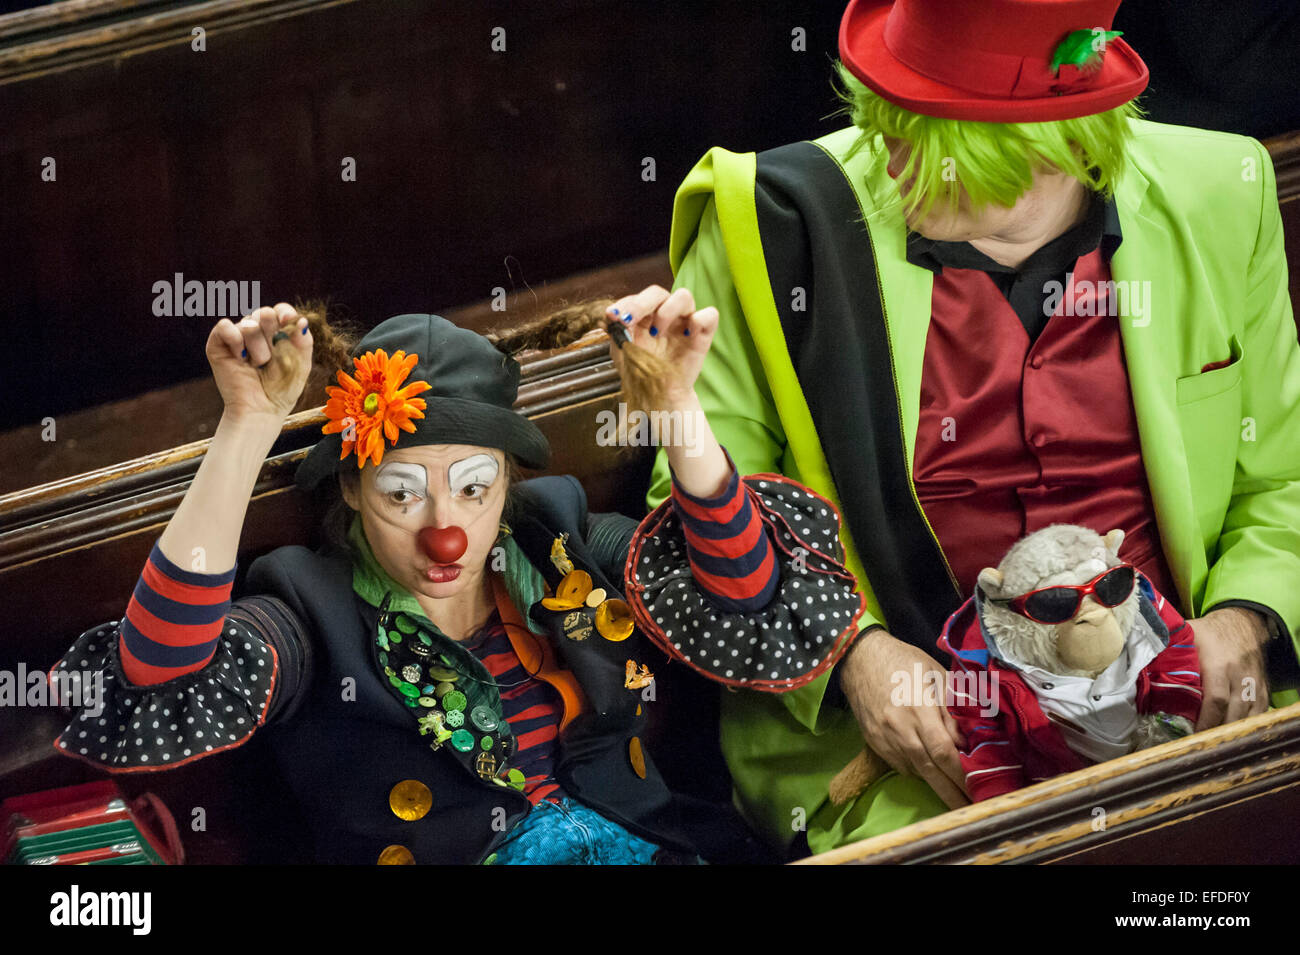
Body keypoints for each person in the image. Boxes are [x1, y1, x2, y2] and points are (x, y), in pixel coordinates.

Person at [640, 0, 1300, 859]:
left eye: (924, 142)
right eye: (884, 118)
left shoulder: (1221, 193)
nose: (885, 157)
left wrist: (1246, 621)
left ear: (1046, 148)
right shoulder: (772, 226)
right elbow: (701, 517)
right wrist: (857, 654)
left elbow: (1282, 476)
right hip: (908, 747)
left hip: (1187, 693)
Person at [48, 293, 864, 865]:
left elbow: (749, 597)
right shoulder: (307, 607)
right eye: (402, 493)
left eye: (475, 487)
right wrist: (247, 427)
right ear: (352, 490)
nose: (447, 527)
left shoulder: (561, 539)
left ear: (508, 484)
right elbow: (157, 670)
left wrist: (677, 406)